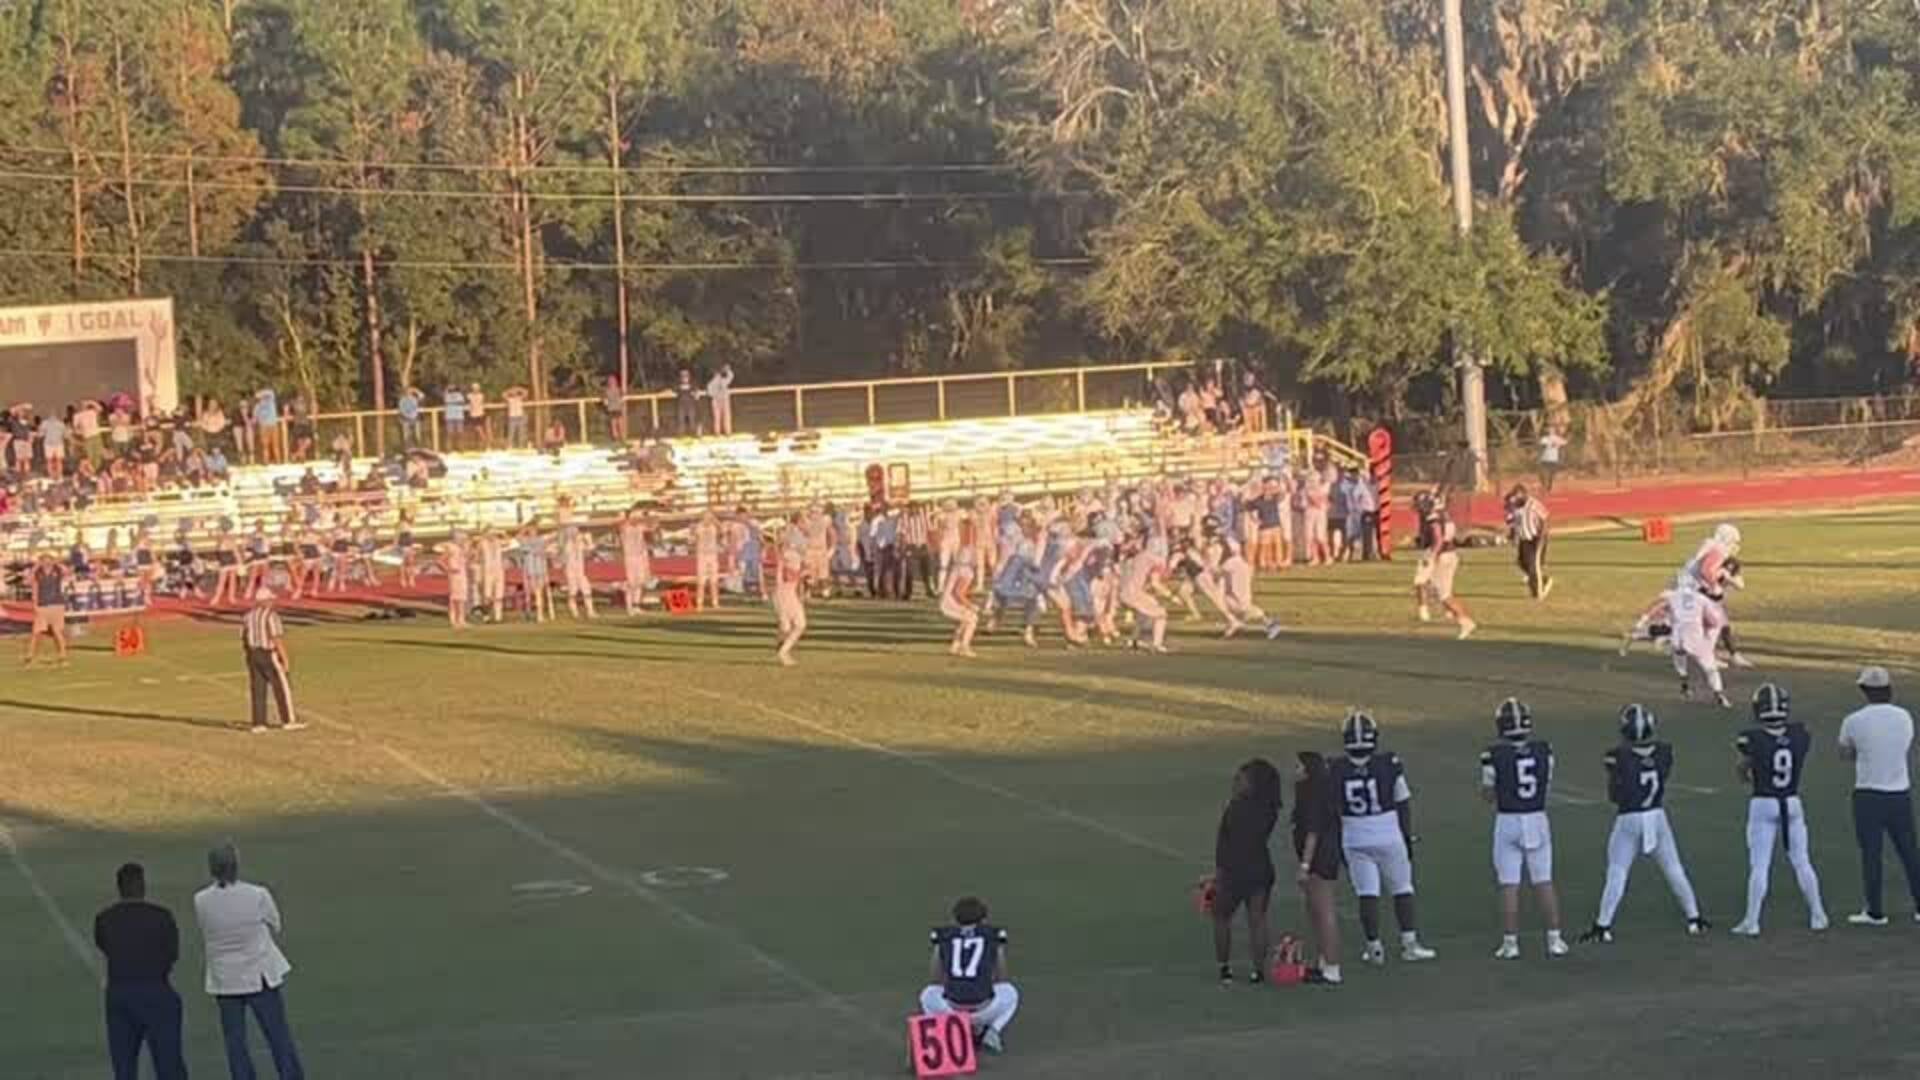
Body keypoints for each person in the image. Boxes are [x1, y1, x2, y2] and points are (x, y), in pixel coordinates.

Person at [1580, 705, 1709, 943]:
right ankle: (1695, 918)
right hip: (1657, 815)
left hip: (1629, 817)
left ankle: (1603, 926)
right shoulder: (1664, 752)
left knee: (1617, 871)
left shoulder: (1617, 756)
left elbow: (1614, 794)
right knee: (1673, 868)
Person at [1331, 711, 1436, 966]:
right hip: (1388, 832)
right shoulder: (1388, 763)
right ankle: (1409, 944)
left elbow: (1331, 808)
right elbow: (1402, 801)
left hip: (1354, 834)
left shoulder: (1335, 768)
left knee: (1367, 893)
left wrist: (1338, 842)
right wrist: (1406, 836)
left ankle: (1374, 948)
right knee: (1402, 888)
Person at [195, 844, 305, 1080]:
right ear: (235, 866)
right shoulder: (257, 895)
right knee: (277, 1035)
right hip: (259, 975)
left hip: (225, 980)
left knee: (235, 1043)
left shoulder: (201, 900)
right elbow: (275, 924)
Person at [1731, 683, 1829, 935]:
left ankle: (1752, 921)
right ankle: (1818, 914)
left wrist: (1750, 772)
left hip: (1763, 802)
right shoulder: (1800, 734)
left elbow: (1742, 771)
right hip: (1792, 801)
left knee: (1760, 865)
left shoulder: (1751, 738)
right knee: (1802, 861)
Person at [1480, 698, 1568, 959]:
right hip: (1537, 818)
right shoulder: (1544, 750)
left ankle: (1510, 944)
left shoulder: (1492, 755)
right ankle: (1554, 940)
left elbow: (1488, 795)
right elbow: (1545, 784)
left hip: (1508, 820)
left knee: (1509, 884)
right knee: (1544, 881)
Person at [1837, 666, 1920, 926]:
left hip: (1868, 795)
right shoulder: (1904, 717)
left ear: (1864, 690)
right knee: (1909, 852)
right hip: (1899, 794)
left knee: (1871, 854)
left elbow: (1845, 753)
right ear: (1889, 689)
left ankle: (1875, 911)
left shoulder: (1854, 720)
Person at [94, 862, 189, 1080]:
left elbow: (103, 945)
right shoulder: (162, 916)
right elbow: (172, 954)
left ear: (119, 888)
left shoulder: (104, 918)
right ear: (143, 886)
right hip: (156, 989)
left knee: (124, 1067)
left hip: (120, 992)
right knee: (169, 1064)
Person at [918, 896, 1017, 1056]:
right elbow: (1002, 976)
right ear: (984, 919)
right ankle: (993, 1031)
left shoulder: (944, 935)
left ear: (954, 919)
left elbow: (935, 978)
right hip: (984, 1009)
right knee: (1010, 992)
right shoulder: (992, 935)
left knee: (928, 994)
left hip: (951, 1008)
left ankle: (947, 1031)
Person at [1212, 758, 1281, 985]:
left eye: (1241, 779)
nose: (1236, 782)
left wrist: (1219, 873)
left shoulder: (1236, 807)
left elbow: (1225, 842)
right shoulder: (1269, 808)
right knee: (1257, 919)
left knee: (1221, 916)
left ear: (1253, 783)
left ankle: (1224, 968)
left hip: (1234, 870)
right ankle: (1258, 971)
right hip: (1260, 867)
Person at [1291, 751, 1343, 985]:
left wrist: (1305, 865)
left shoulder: (1313, 794)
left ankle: (1332, 968)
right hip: (1323, 855)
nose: (1296, 770)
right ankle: (1324, 962)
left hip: (1320, 858)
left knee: (1324, 910)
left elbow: (1312, 833)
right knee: (1316, 910)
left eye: (1299, 766)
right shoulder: (1314, 791)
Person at [1410, 490, 1476, 639]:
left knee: (1444, 595)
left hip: (1442, 555)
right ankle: (1449, 612)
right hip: (1447, 554)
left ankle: (1466, 621)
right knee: (1434, 587)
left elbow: (1438, 539)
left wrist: (1432, 557)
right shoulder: (1442, 514)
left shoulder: (1433, 518)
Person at [243, 588, 303, 733]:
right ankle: (288, 720)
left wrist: (248, 654)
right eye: (270, 599)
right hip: (268, 653)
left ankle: (258, 723)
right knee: (281, 686)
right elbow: (275, 638)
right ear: (264, 601)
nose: (272, 602)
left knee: (258, 688)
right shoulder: (271, 616)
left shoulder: (248, 616)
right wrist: (284, 658)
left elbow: (244, 636)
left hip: (253, 653)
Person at [1504, 484, 1552, 600]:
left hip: (1536, 538)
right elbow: (1513, 522)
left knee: (1534, 565)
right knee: (1522, 563)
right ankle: (1544, 580)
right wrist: (1512, 535)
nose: (1515, 499)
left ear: (1524, 494)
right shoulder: (1515, 507)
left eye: (1517, 496)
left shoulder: (1533, 504)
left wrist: (1542, 536)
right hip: (1524, 539)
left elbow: (1545, 518)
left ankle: (1538, 593)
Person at [25, 551, 70, 665]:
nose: (46, 562)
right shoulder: (38, 572)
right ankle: (30, 656)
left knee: (57, 631)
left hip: (56, 604)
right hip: (42, 605)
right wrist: (35, 604)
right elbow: (31, 584)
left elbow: (67, 572)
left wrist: (57, 562)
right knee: (37, 632)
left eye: (49, 559)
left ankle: (63, 656)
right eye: (44, 559)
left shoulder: (57, 570)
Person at [773, 525, 807, 666]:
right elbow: (787, 576)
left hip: (791, 593)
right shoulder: (786, 555)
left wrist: (802, 592)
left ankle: (782, 651)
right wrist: (802, 574)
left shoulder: (796, 555)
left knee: (800, 624)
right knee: (787, 627)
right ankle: (782, 650)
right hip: (783, 593)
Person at [1538, 427, 1568, 493]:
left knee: (1551, 474)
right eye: (1550, 430)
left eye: (1552, 430)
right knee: (1542, 473)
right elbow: (1542, 445)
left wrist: (1559, 443)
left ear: (1554, 431)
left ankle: (1548, 486)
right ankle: (1544, 486)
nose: (1551, 431)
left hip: (1553, 459)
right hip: (1545, 458)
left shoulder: (1557, 438)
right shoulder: (1545, 438)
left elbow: (1565, 442)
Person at [707, 363, 735, 436]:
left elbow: (731, 376)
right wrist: (716, 395)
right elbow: (710, 393)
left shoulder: (723, 380)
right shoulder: (711, 383)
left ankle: (727, 432)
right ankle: (717, 432)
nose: (717, 375)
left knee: (726, 416)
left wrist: (727, 370)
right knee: (717, 417)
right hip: (716, 401)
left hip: (725, 400)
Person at [674, 367, 700, 435]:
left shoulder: (693, 384)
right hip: (681, 405)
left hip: (691, 405)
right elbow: (674, 392)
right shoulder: (678, 385)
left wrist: (695, 394)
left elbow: (697, 393)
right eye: (682, 375)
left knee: (692, 419)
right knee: (681, 419)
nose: (684, 377)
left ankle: (694, 433)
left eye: (686, 375)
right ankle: (681, 434)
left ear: (689, 376)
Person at [601, 375, 626, 444]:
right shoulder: (606, 391)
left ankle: (622, 438)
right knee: (613, 424)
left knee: (620, 423)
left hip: (618, 408)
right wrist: (606, 403)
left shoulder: (619, 389)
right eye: (611, 381)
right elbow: (604, 400)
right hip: (611, 409)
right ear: (609, 382)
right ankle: (616, 439)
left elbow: (623, 397)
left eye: (613, 380)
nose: (612, 382)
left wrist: (621, 402)